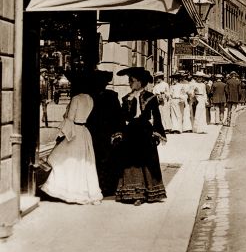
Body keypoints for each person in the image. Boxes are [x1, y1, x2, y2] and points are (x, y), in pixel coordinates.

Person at [40, 70, 103, 205]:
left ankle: (66, 190)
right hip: (84, 132)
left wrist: (60, 135)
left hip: (74, 131)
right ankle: (83, 190)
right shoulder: (90, 99)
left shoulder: (76, 98)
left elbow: (70, 119)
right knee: (83, 163)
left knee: (64, 160)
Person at [114, 67, 167, 205]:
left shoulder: (151, 97)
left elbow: (156, 117)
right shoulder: (126, 98)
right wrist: (119, 133)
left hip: (144, 132)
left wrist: (157, 133)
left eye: (131, 81)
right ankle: (133, 192)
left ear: (139, 82)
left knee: (146, 161)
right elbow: (121, 118)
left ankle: (146, 193)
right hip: (130, 132)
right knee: (130, 161)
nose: (129, 83)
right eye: (129, 81)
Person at [85, 69, 124, 198]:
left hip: (101, 132)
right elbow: (118, 116)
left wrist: (118, 131)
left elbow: (118, 116)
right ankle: (103, 186)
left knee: (102, 159)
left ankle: (104, 186)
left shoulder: (107, 96)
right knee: (102, 159)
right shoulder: (107, 95)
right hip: (97, 131)